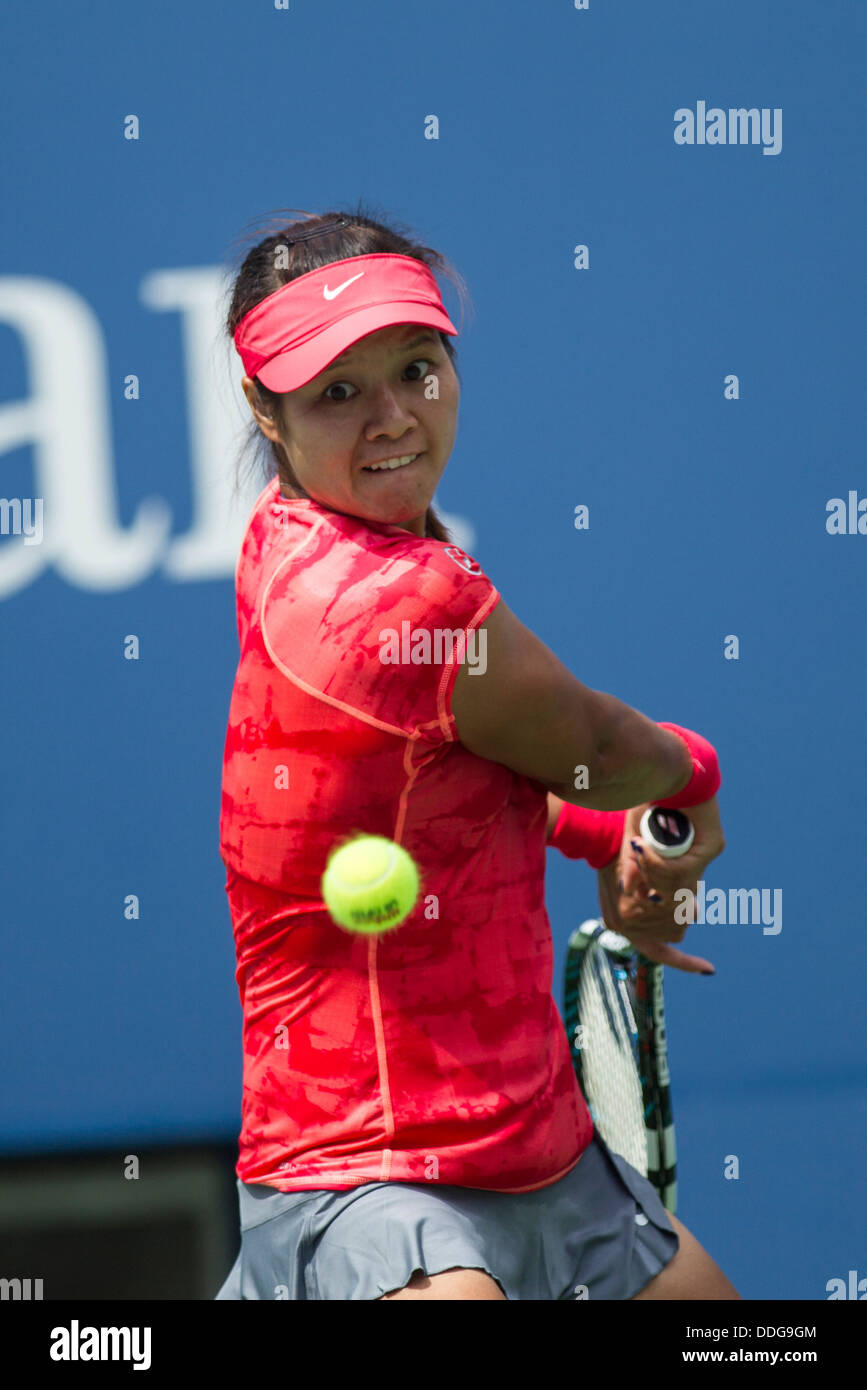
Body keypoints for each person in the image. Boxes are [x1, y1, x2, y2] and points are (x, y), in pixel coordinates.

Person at [214, 205, 740, 1301]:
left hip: (540, 1144)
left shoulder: (283, 532)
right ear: (266, 410)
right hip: (365, 1174)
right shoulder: (397, 599)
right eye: (338, 393)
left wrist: (599, 827)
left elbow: (436, 775)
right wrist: (691, 776)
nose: (394, 417)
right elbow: (595, 742)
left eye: (418, 367)